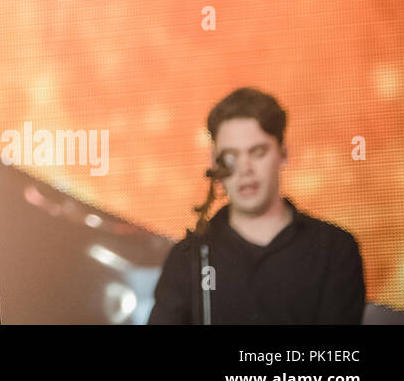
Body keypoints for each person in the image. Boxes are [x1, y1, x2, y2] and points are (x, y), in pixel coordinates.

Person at [149, 87, 364, 324]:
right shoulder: (188, 257)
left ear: (283, 154)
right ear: (214, 163)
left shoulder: (334, 250)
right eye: (231, 156)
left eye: (258, 152)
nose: (245, 170)